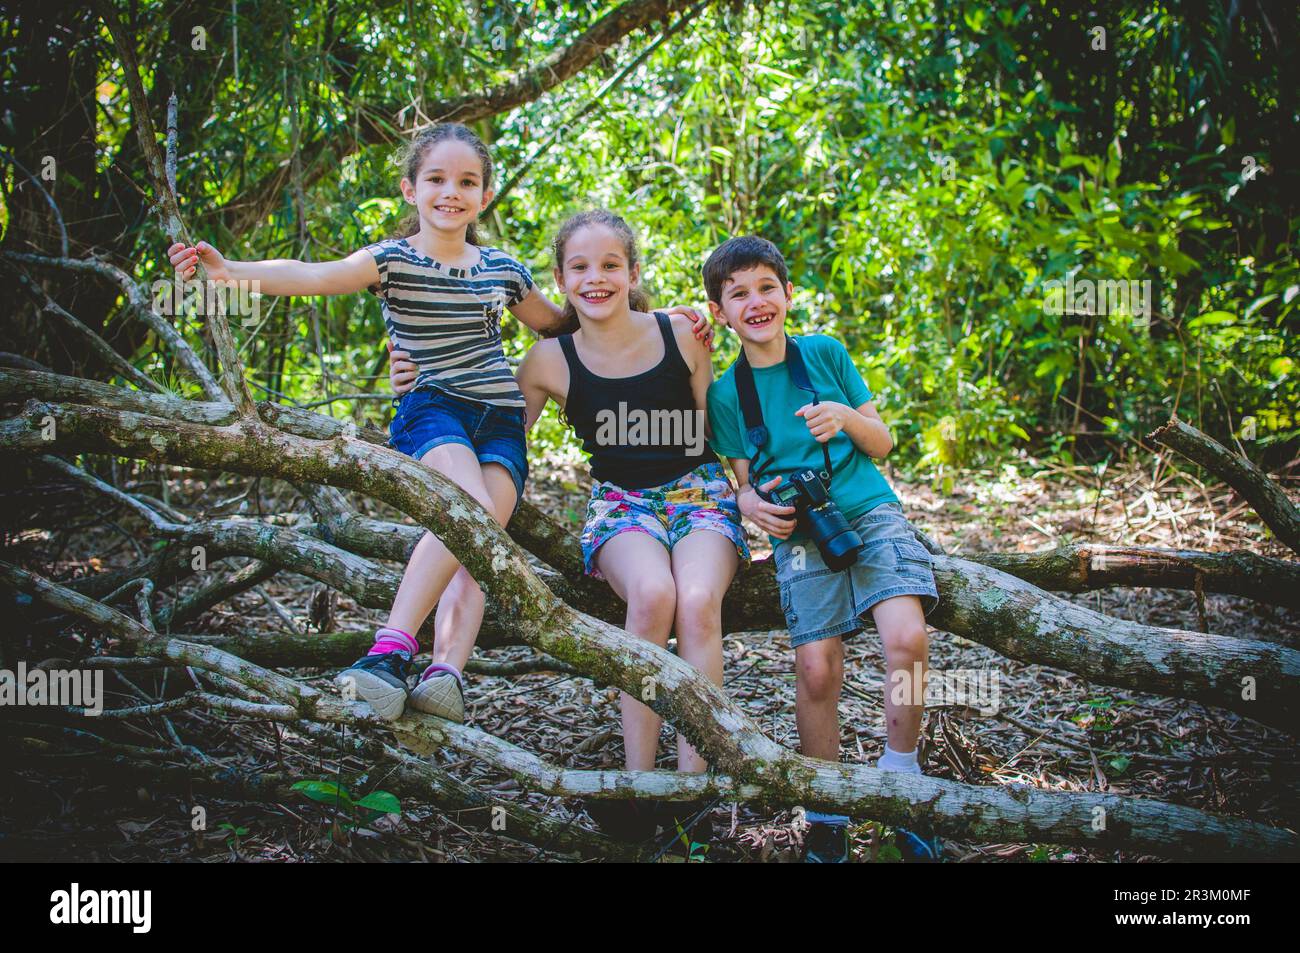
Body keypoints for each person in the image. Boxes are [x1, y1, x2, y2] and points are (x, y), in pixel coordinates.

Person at [168, 122, 711, 724]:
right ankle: (389, 649)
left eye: (467, 181)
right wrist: (227, 271)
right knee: (468, 511)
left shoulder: (502, 270)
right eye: (437, 179)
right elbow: (314, 276)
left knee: (484, 538)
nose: (451, 191)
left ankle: (447, 670)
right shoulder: (391, 260)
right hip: (433, 409)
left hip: (501, 417)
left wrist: (661, 318)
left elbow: (568, 321)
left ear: (484, 198)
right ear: (410, 190)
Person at [703, 235, 942, 863]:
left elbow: (882, 441)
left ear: (787, 294)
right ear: (721, 313)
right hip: (802, 536)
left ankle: (902, 779)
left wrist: (844, 417)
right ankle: (827, 811)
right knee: (815, 666)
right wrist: (751, 507)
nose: (756, 302)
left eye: (766, 288)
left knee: (907, 637)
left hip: (868, 507)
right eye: (738, 294)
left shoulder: (826, 354)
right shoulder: (727, 394)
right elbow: (743, 484)